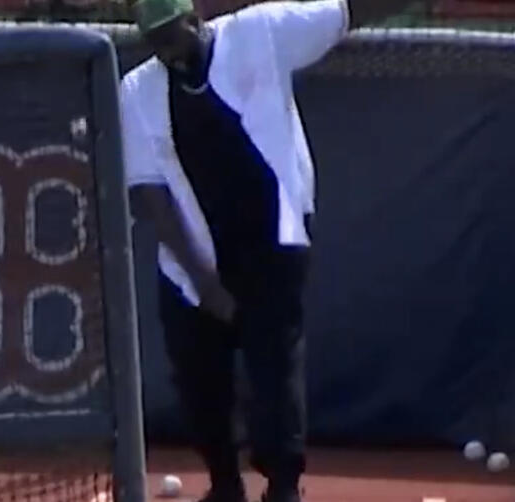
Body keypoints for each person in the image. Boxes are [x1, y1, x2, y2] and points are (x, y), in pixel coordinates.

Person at [121, 0, 433, 501]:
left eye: (170, 33)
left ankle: (284, 485)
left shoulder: (258, 33)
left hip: (271, 247)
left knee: (275, 369)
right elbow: (148, 191)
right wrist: (205, 283)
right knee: (199, 380)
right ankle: (225, 484)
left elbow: (345, 12)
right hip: (192, 263)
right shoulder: (137, 90)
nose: (164, 48)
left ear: (194, 20)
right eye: (153, 39)